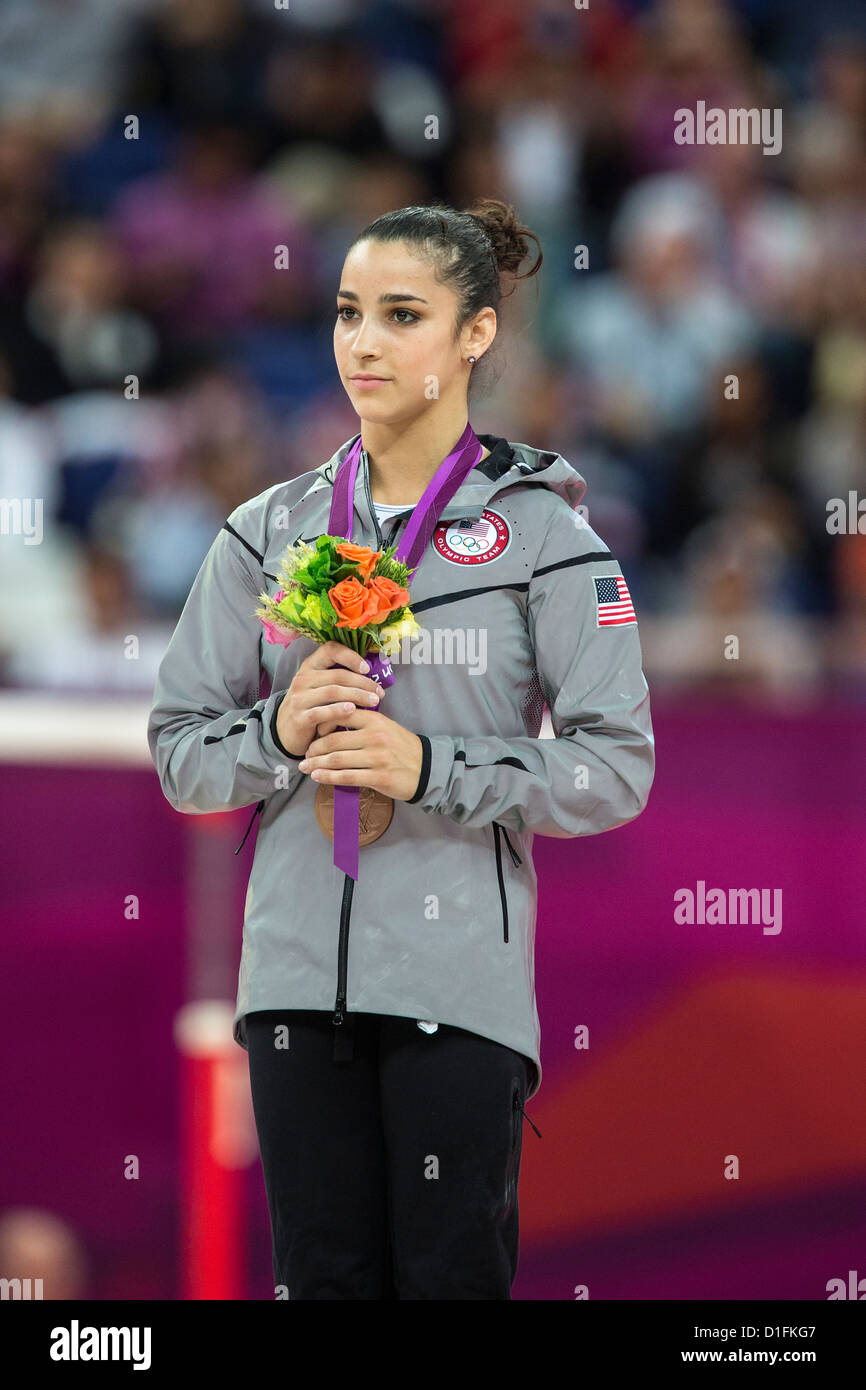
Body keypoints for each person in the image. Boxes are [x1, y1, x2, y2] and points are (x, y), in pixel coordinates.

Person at [147, 198, 655, 1299]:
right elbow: (179, 750)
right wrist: (278, 733)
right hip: (289, 979)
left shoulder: (544, 534)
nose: (361, 343)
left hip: (455, 985)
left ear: (474, 333)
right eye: (345, 313)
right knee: (320, 1280)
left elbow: (615, 766)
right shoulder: (269, 528)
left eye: (400, 314)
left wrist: (430, 767)